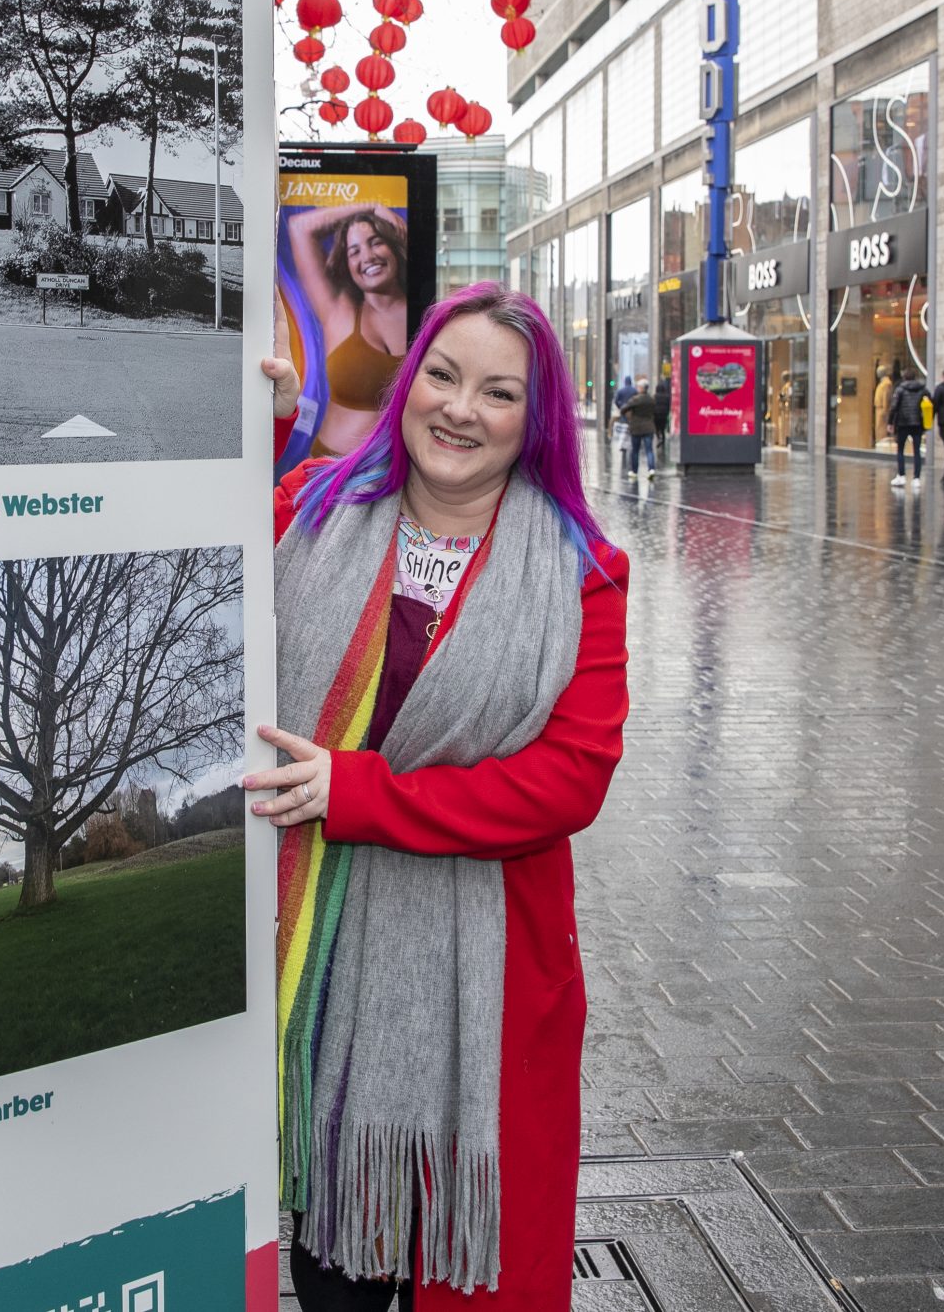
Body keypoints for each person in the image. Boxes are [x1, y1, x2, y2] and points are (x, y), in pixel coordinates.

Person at [252, 283, 628, 1312]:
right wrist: (261, 426)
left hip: (488, 985)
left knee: (462, 1266)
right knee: (334, 1265)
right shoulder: (309, 509)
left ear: (534, 421)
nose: (461, 409)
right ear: (408, 380)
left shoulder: (581, 575)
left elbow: (569, 779)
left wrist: (359, 794)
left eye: (499, 393)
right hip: (319, 954)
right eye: (443, 375)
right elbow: (196, 555)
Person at [287, 202, 411, 459]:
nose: (368, 257)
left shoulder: (423, 314)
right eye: (354, 251)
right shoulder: (338, 310)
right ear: (347, 263)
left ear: (394, 245)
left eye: (376, 242)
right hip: (328, 469)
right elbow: (299, 228)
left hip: (392, 472)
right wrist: (372, 207)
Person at [886, 366, 928, 490]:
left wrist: (890, 422)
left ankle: (901, 475)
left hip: (903, 423)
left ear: (904, 377)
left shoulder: (900, 389)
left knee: (900, 450)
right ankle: (916, 478)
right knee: (917, 451)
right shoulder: (922, 390)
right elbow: (930, 403)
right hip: (917, 423)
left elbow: (894, 407)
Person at [620, 381, 659, 479]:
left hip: (636, 428)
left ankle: (634, 471)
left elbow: (623, 409)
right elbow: (655, 412)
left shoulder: (635, 399)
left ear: (641, 388)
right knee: (649, 450)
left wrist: (628, 416)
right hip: (649, 427)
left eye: (638, 387)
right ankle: (651, 469)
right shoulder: (651, 400)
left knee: (635, 450)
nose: (637, 388)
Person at [649, 374, 672, 465]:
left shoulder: (654, 396)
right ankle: (663, 440)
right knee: (662, 428)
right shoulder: (667, 397)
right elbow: (669, 406)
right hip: (664, 415)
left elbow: (652, 406)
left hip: (656, 415)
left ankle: (658, 438)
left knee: (657, 428)